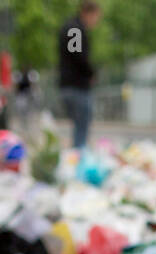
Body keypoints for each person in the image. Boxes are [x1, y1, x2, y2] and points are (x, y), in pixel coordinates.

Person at [58, 0, 100, 151]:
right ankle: (78, 157)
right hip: (76, 86)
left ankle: (78, 154)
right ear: (87, 13)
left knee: (79, 125)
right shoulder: (74, 29)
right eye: (95, 17)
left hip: (71, 84)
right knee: (82, 126)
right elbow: (77, 55)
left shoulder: (72, 28)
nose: (96, 22)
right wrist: (91, 72)